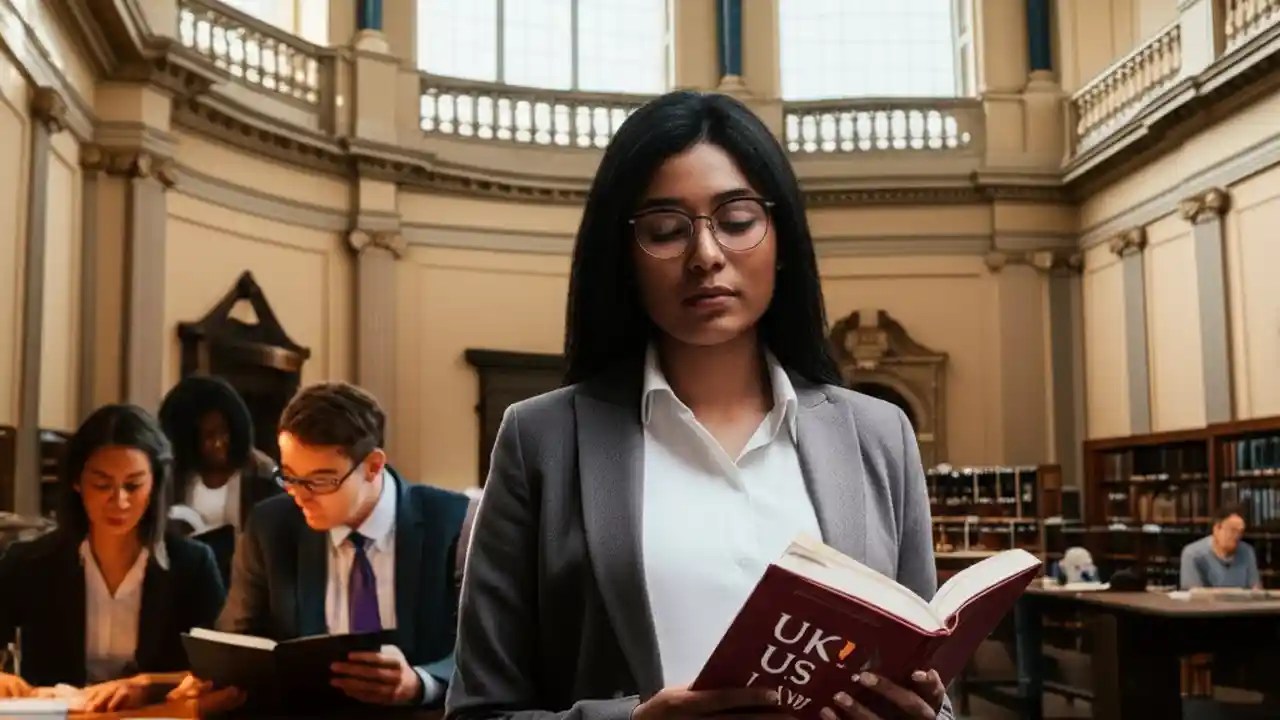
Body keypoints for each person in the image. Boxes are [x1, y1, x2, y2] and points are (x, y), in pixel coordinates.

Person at [446, 91, 952, 720]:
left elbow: (925, 677)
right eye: (665, 230)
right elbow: (478, 711)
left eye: (737, 221)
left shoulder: (879, 434)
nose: (706, 256)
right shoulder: (541, 440)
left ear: (782, 239)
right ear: (624, 256)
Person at [171, 382, 471, 709]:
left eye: (321, 480)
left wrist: (420, 683)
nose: (300, 494)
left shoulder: (455, 523)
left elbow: (493, 652)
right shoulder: (271, 527)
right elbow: (236, 639)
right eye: (289, 476)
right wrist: (214, 677)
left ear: (372, 466)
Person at [0, 405, 225, 711]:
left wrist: (145, 685)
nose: (119, 501)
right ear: (77, 482)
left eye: (133, 485)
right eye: (102, 485)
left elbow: (218, 673)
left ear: (155, 484)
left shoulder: (192, 565)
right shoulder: (29, 562)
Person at [158, 375, 281, 583]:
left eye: (224, 432)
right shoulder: (172, 476)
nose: (218, 443)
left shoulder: (262, 473)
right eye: (208, 436)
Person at [1180, 504, 1260, 590]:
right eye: (1232, 530)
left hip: (1241, 603)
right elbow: (1194, 595)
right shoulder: (1193, 554)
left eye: (1240, 532)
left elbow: (1255, 590)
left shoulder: (1247, 551)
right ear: (1216, 529)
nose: (1237, 536)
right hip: (1207, 603)